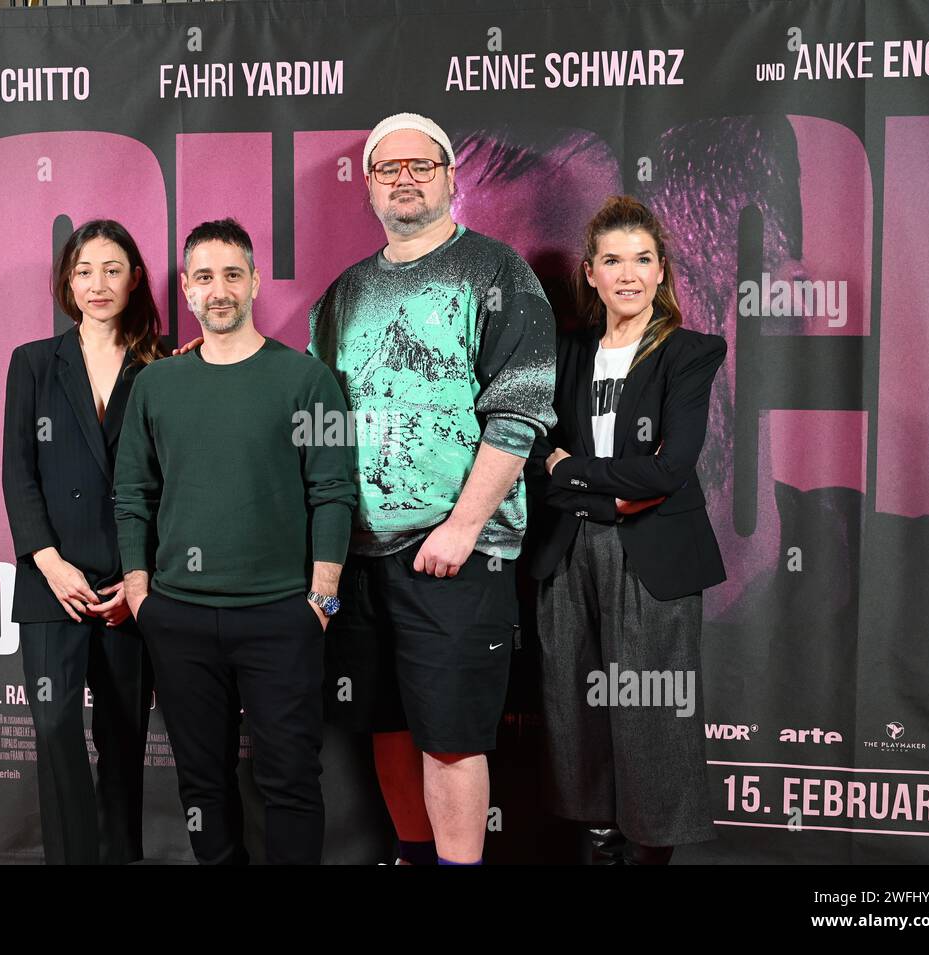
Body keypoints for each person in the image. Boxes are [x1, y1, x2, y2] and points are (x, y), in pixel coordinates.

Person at [308, 112, 557, 866]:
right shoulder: (342, 295)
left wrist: (462, 526)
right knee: (388, 724)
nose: (406, 178)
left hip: (456, 552)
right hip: (360, 557)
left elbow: (521, 406)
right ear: (369, 186)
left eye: (423, 165)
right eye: (389, 167)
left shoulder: (495, 270)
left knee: (451, 735)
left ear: (451, 179)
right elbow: (313, 417)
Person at [114, 218, 356, 865]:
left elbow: (333, 490)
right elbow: (132, 493)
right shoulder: (156, 385)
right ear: (186, 291)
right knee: (203, 781)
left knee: (291, 780)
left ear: (252, 282)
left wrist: (322, 599)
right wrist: (141, 593)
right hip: (179, 617)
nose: (217, 289)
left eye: (230, 274)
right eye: (203, 276)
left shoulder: (309, 380)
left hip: (282, 615)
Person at [525, 195, 727, 865]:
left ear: (663, 270)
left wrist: (574, 470)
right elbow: (533, 455)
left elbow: (668, 467)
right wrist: (591, 479)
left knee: (651, 724)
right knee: (572, 717)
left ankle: (650, 857)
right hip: (568, 550)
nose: (629, 273)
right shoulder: (564, 352)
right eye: (612, 260)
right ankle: (600, 851)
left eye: (643, 259)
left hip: (652, 553)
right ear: (589, 273)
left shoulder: (689, 352)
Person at [1, 219, 161, 864]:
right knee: (54, 727)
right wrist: (49, 563)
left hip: (132, 585)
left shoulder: (165, 361)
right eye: (85, 270)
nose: (98, 284)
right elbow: (18, 473)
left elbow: (172, 481)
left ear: (136, 278)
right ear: (68, 280)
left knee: (125, 738)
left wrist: (140, 576)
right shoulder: (35, 362)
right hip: (52, 584)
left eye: (113, 269)